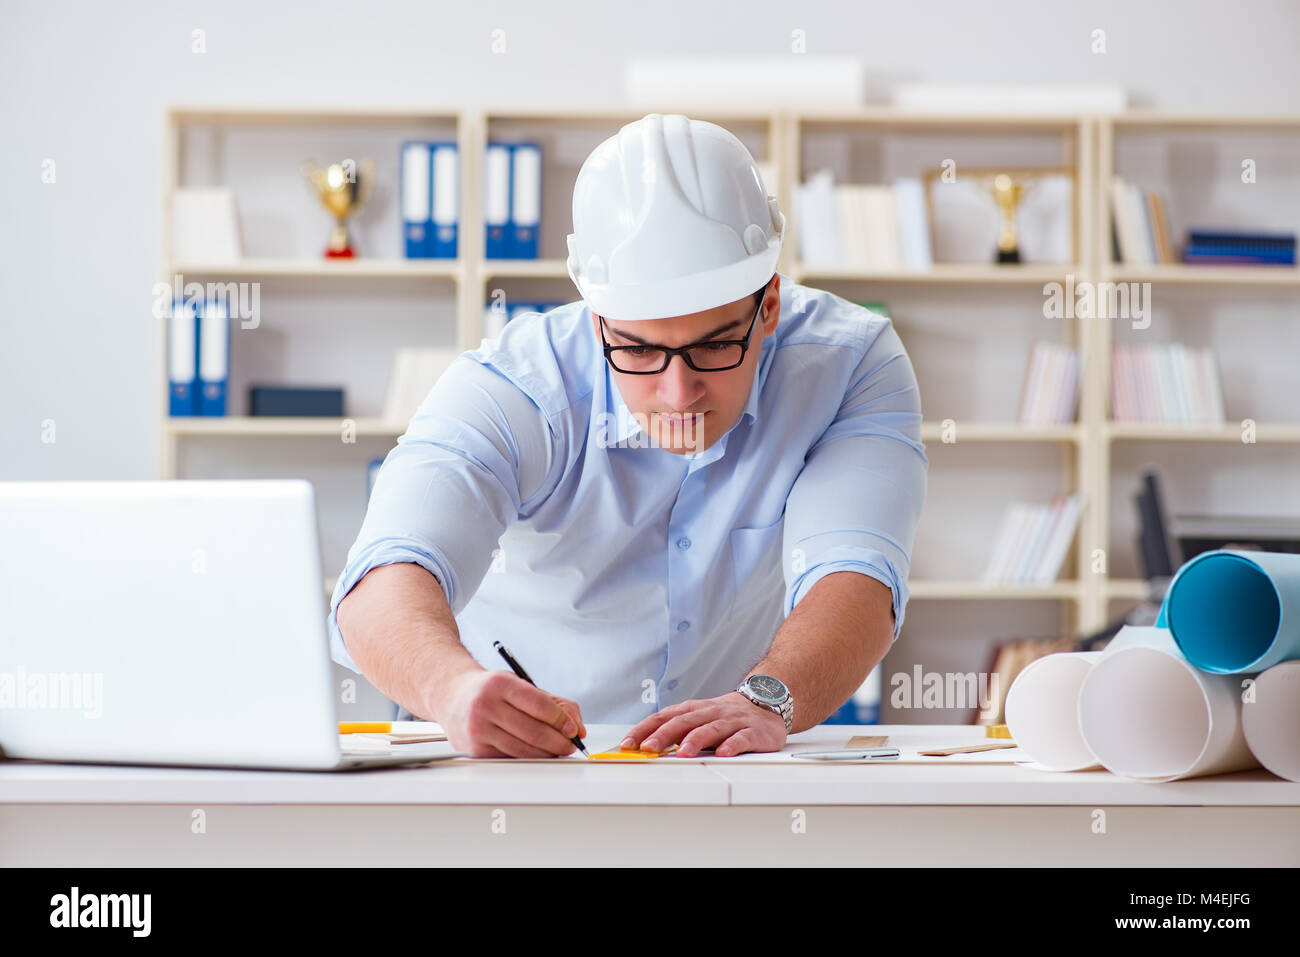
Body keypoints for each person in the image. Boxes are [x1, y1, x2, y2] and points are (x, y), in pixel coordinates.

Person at [329, 113, 927, 758]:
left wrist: (769, 700)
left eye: (717, 344)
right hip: (513, 764)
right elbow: (383, 574)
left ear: (770, 306)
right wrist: (449, 688)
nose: (678, 392)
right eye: (638, 350)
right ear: (597, 324)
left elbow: (856, 576)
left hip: (725, 765)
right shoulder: (516, 387)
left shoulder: (849, 364)